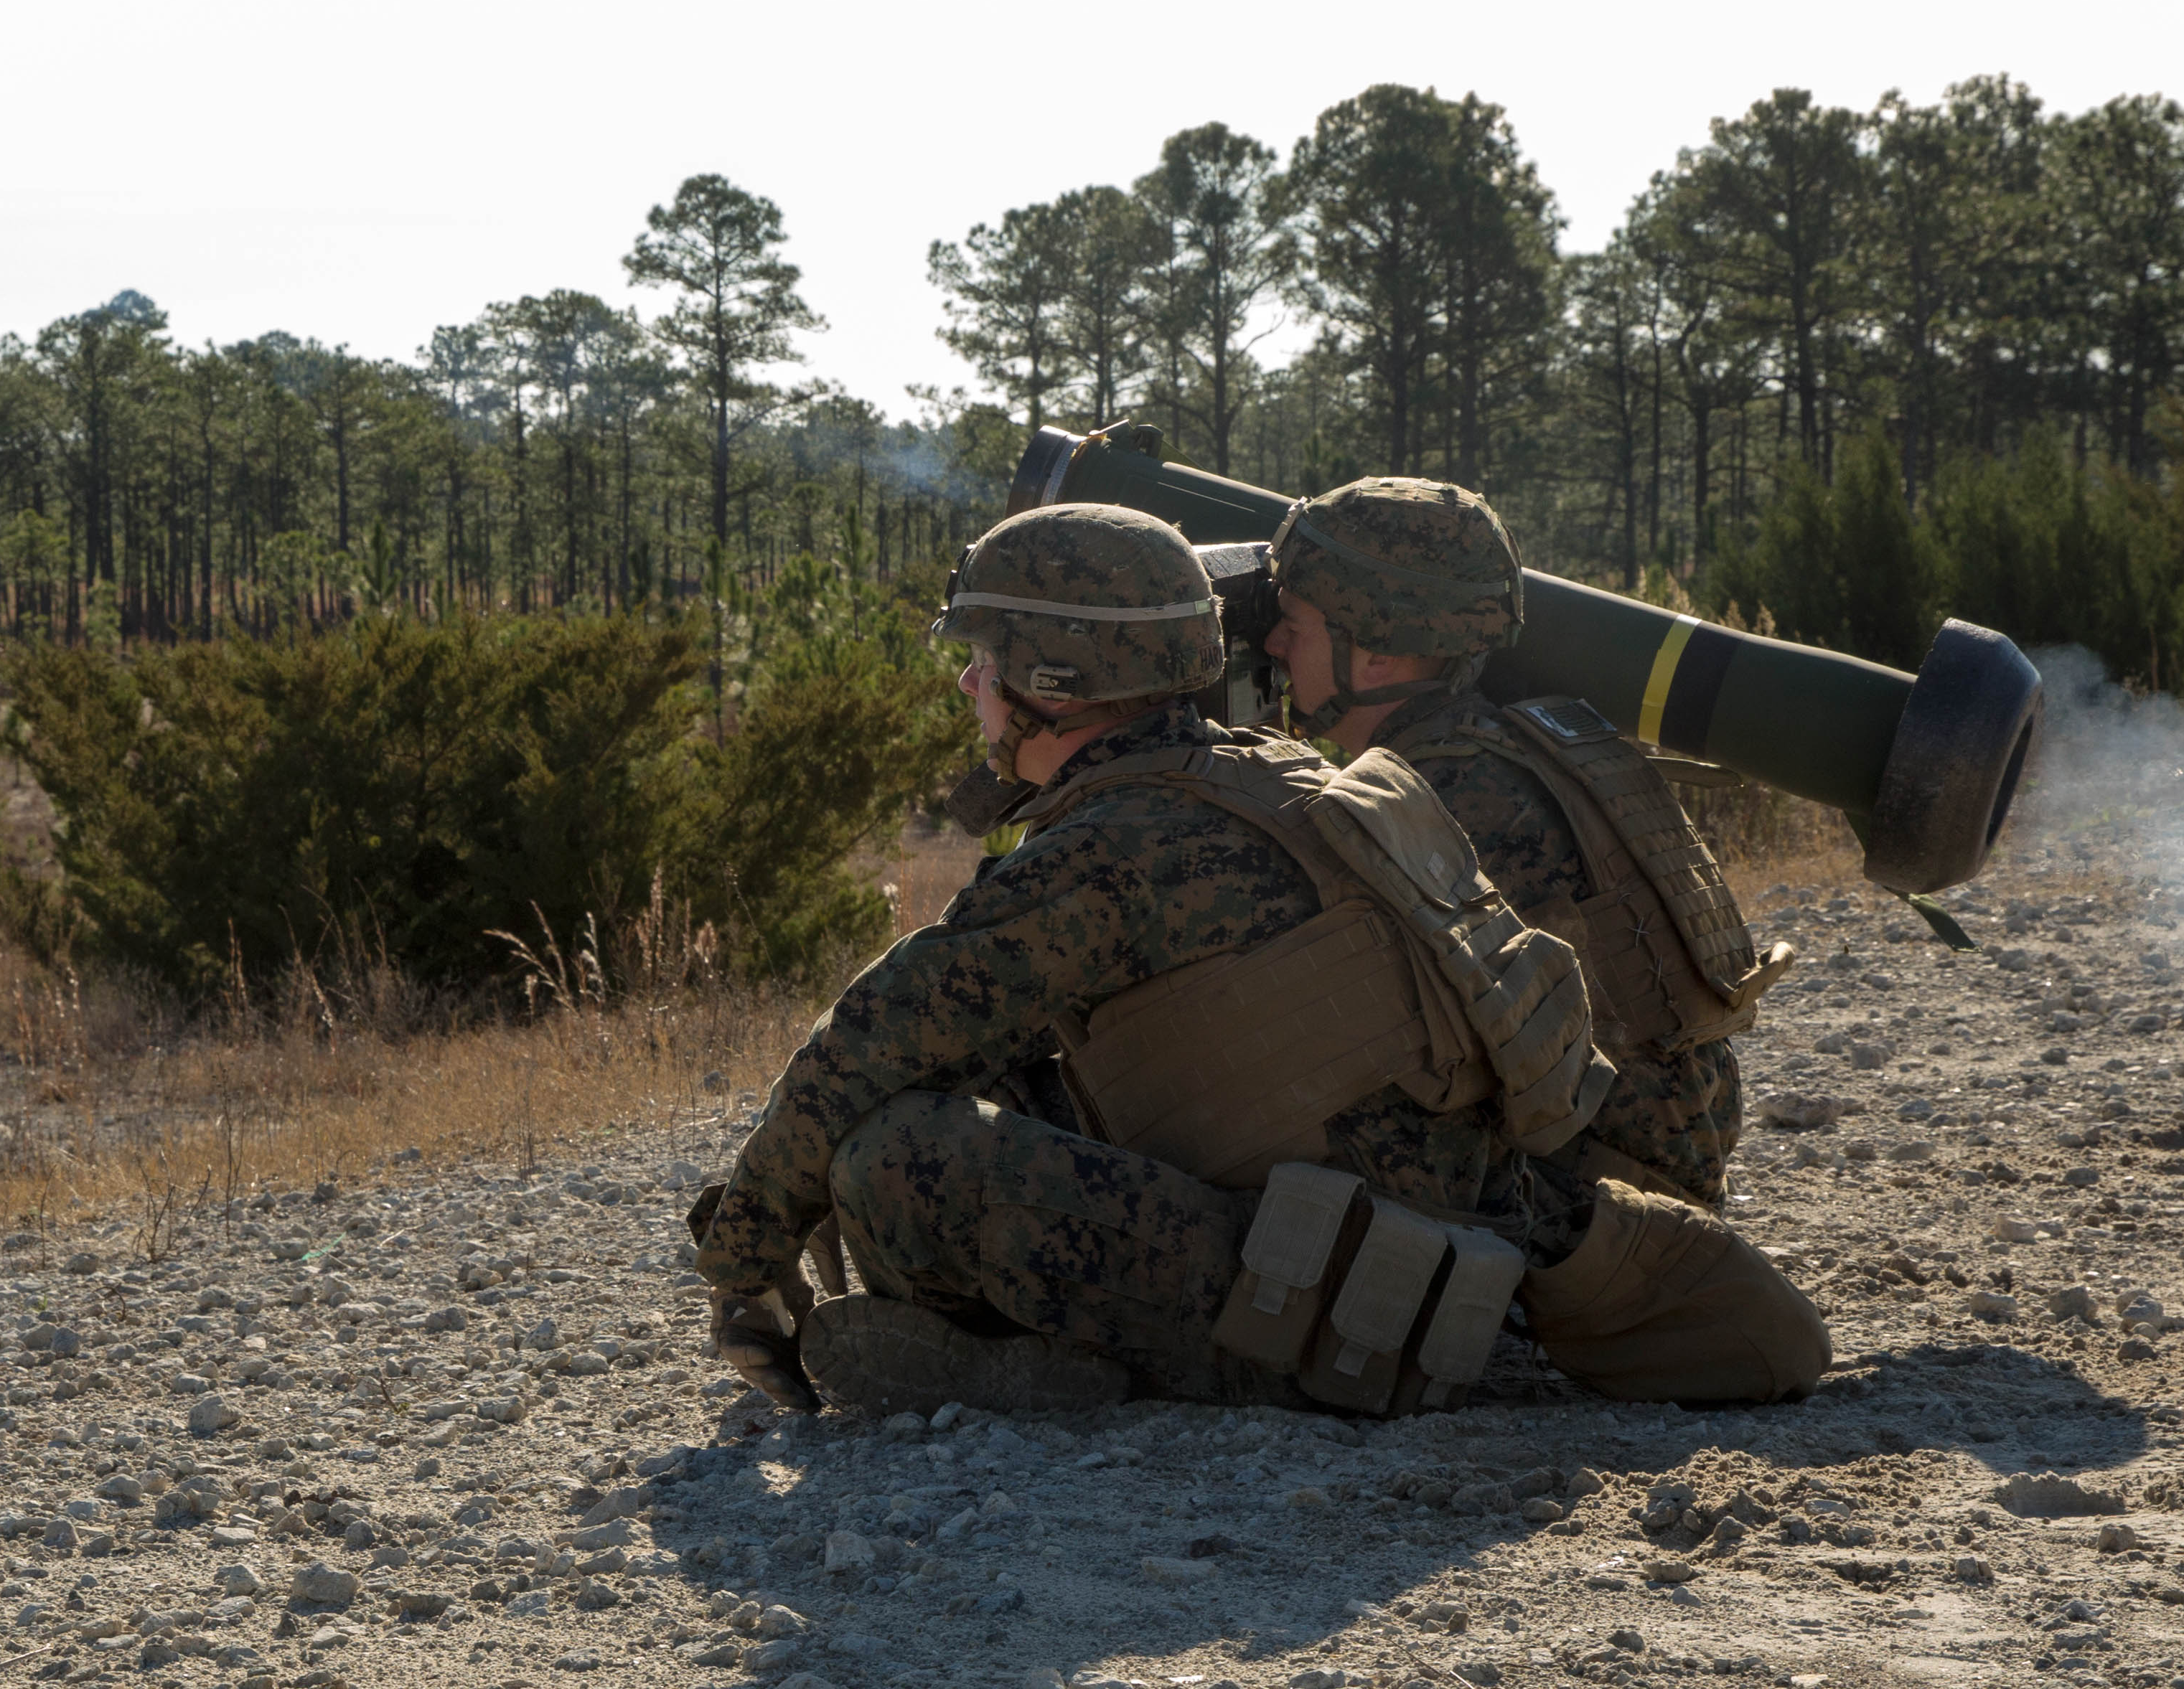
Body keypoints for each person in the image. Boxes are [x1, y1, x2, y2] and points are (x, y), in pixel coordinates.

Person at [685, 500, 1826, 1419]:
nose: (970, 687)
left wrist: (744, 1255)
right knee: (970, 1093)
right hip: (1452, 1239)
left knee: (894, 1160)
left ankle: (1125, 1376)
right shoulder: (1270, 777)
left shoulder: (1107, 851)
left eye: (985, 661)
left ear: (1059, 679)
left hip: (1364, 1304)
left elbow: (867, 1044)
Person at [1258, 476, 1785, 1211]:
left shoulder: (1434, 800)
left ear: (1377, 651)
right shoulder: (1509, 745)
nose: (1273, 643)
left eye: (1295, 621)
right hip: (1660, 1165)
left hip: (1593, 1202)